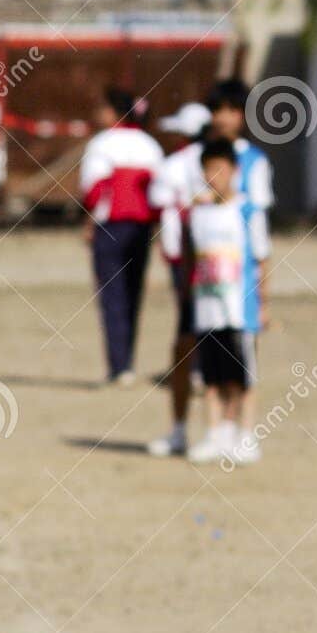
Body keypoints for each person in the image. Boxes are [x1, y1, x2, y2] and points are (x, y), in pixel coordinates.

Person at [182, 139, 268, 465]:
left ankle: (246, 435)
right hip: (207, 309)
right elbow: (190, 256)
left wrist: (264, 303)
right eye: (208, 169)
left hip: (239, 310)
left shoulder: (248, 211)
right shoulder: (198, 213)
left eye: (220, 168)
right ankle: (216, 433)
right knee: (211, 377)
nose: (214, 176)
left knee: (243, 377)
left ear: (234, 170)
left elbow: (262, 258)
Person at [78, 87, 162, 385]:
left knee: (112, 295)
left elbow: (93, 189)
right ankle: (129, 360)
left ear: (114, 112)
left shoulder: (101, 144)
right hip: (141, 228)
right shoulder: (150, 146)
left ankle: (119, 365)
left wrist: (90, 221)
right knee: (133, 293)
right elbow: (159, 193)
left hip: (110, 227)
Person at [146, 100, 211, 456]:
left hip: (184, 256)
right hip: (218, 260)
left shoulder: (174, 165)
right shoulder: (224, 163)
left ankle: (185, 417)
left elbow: (158, 203)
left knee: (187, 330)